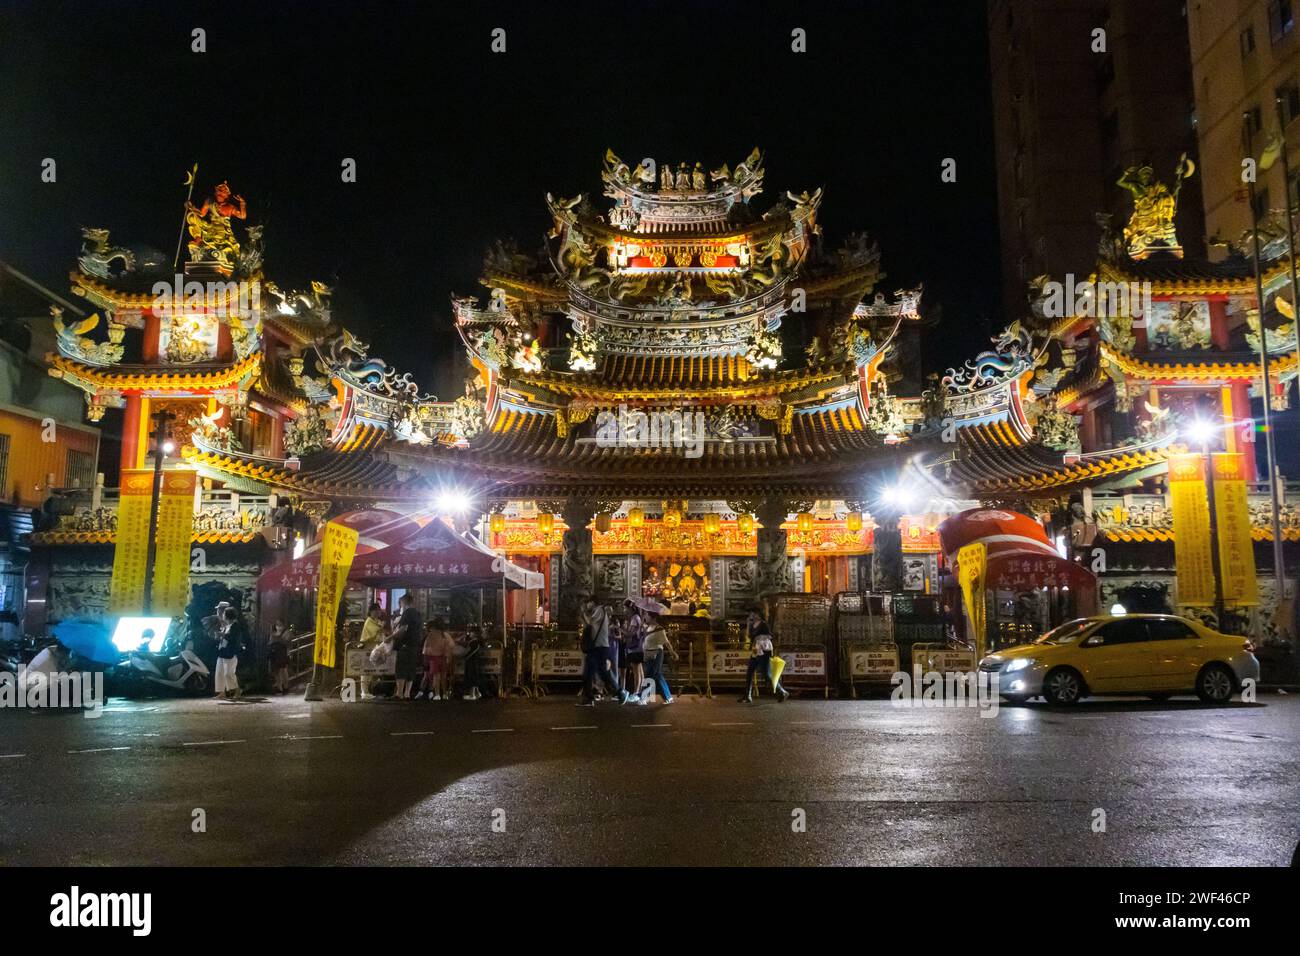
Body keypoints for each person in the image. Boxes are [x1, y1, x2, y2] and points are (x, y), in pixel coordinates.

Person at [579, 599, 630, 706]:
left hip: (599, 647)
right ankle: (589, 698)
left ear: (593, 602)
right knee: (593, 673)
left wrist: (583, 613)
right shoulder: (599, 611)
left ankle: (620, 693)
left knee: (600, 673)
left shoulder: (599, 610)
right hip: (598, 647)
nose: (588, 605)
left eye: (589, 603)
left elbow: (589, 623)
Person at [740, 608, 788, 703]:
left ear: (759, 614)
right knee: (750, 672)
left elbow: (770, 635)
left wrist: (760, 638)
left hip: (764, 651)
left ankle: (782, 691)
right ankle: (747, 695)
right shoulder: (752, 624)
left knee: (766, 674)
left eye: (755, 614)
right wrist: (748, 624)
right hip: (755, 651)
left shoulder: (763, 624)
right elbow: (749, 637)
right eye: (752, 614)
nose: (753, 615)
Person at [389, 593, 423, 701]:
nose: (400, 605)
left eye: (400, 603)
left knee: (401, 669)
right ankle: (407, 693)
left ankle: (399, 693)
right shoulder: (417, 613)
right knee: (411, 669)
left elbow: (402, 629)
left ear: (404, 602)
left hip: (405, 645)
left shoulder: (407, 613)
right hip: (415, 645)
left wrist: (390, 637)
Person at [641, 611, 678, 704]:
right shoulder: (647, 627)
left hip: (656, 654)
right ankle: (668, 697)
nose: (645, 616)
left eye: (647, 615)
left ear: (653, 617)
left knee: (650, 675)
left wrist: (672, 653)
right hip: (648, 654)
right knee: (657, 675)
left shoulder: (659, 629)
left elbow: (667, 643)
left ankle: (644, 697)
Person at [214, 606, 246, 700]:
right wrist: (220, 637)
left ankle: (237, 690)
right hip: (223, 651)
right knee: (220, 672)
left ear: (228, 616)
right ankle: (222, 692)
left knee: (229, 673)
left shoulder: (236, 626)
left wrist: (223, 635)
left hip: (230, 652)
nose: (222, 615)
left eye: (224, 613)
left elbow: (233, 638)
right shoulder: (226, 626)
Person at [358, 603, 387, 700]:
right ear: (371, 612)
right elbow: (375, 632)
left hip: (375, 649)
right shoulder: (369, 621)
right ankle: (364, 692)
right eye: (376, 610)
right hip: (367, 648)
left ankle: (368, 691)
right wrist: (382, 628)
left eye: (379, 610)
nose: (379, 612)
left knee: (371, 671)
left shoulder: (377, 621)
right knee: (366, 670)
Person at [419, 617, 453, 700]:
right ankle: (444, 694)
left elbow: (426, 649)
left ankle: (437, 694)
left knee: (436, 677)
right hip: (443, 657)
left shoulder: (430, 635)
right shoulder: (445, 635)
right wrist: (448, 656)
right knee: (443, 677)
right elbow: (451, 645)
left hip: (433, 658)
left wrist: (426, 658)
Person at [622, 599, 646, 703]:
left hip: (634, 648)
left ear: (629, 608)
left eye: (625, 608)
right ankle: (641, 693)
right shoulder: (638, 617)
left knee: (636, 671)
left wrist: (620, 629)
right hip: (639, 647)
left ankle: (636, 692)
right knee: (639, 670)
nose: (624, 610)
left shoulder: (634, 618)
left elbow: (629, 634)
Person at [267, 622, 291, 694]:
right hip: (275, 654)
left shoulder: (286, 633)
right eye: (277, 625)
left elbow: (286, 642)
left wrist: (277, 639)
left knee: (283, 670)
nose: (278, 627)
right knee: (276, 671)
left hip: (282, 654)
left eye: (280, 625)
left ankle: (285, 687)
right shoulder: (273, 633)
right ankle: (279, 686)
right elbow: (270, 642)